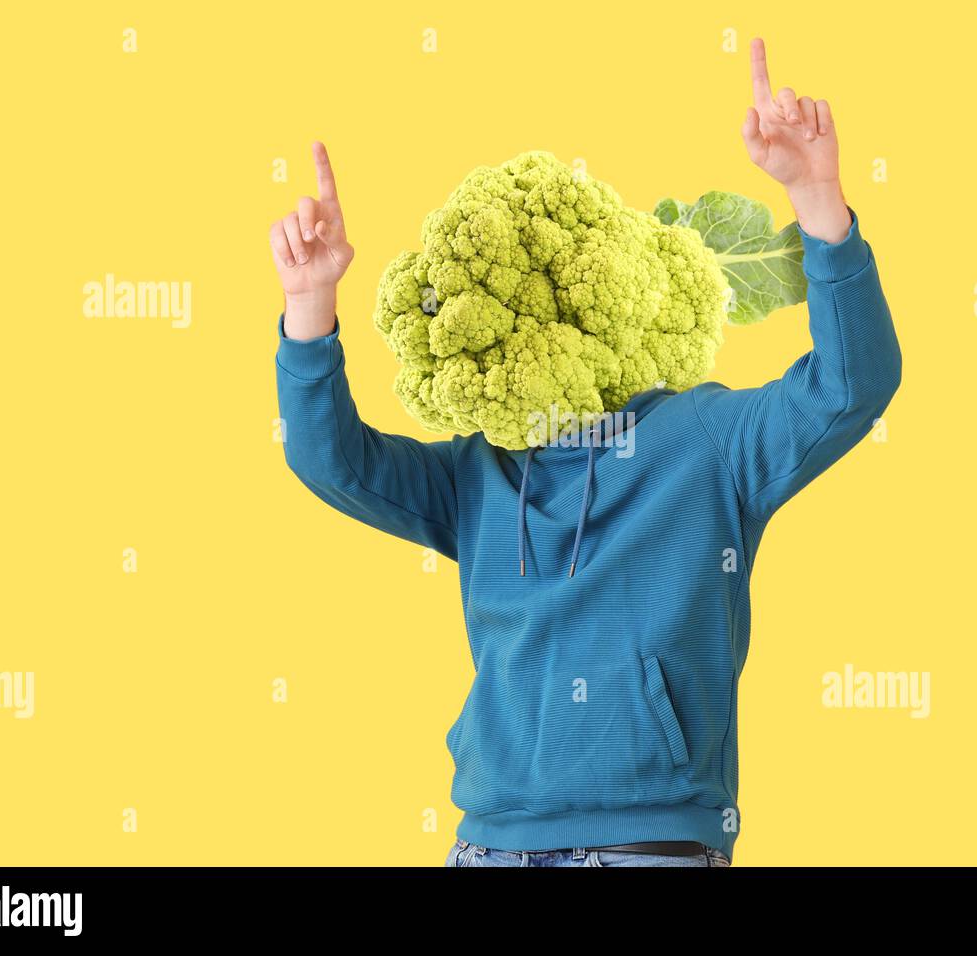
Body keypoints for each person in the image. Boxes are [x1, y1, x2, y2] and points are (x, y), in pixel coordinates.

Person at [268, 37, 901, 867]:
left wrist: (818, 198)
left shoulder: (705, 445)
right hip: (487, 846)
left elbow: (850, 386)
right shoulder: (476, 472)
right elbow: (333, 463)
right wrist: (311, 305)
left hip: (649, 844)